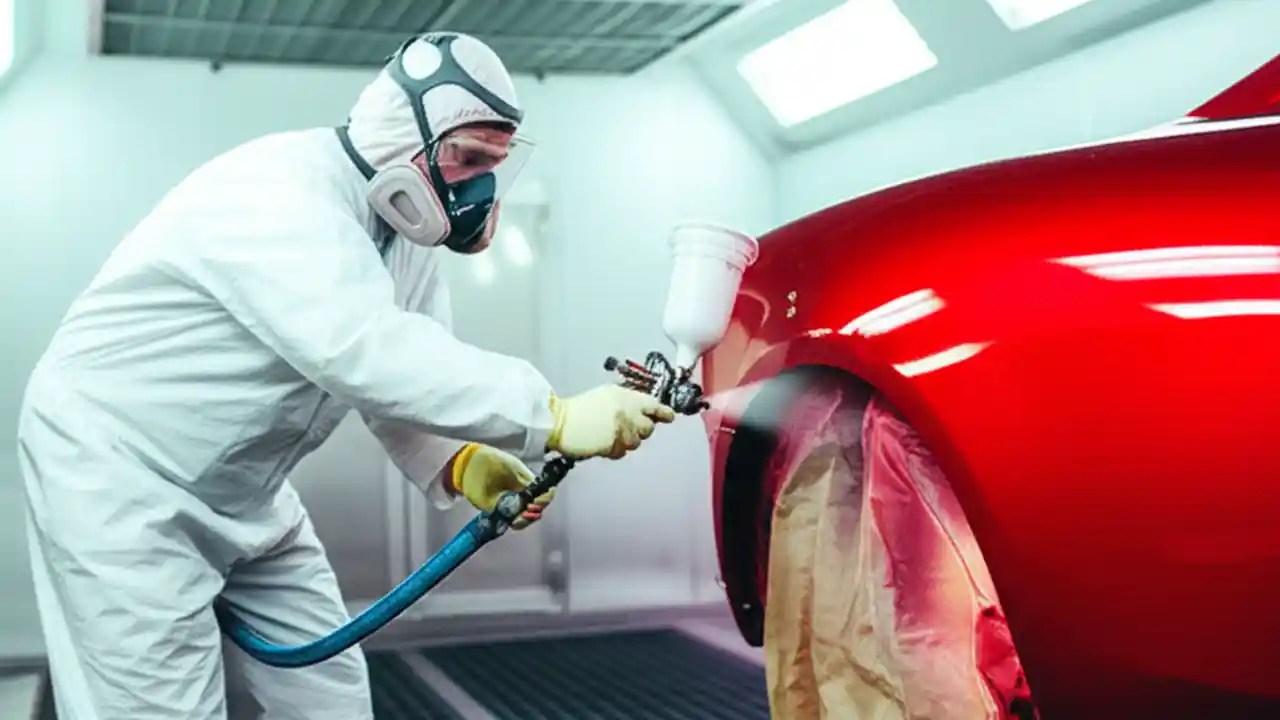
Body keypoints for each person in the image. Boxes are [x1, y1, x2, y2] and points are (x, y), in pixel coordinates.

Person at [17, 31, 675, 719]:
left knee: (329, 692)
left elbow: (412, 367)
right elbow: (366, 351)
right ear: (405, 139)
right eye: (469, 159)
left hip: (245, 490)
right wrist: (554, 415)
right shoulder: (281, 190)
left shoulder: (405, 235)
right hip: (120, 475)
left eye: (494, 166)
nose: (480, 188)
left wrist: (458, 460)